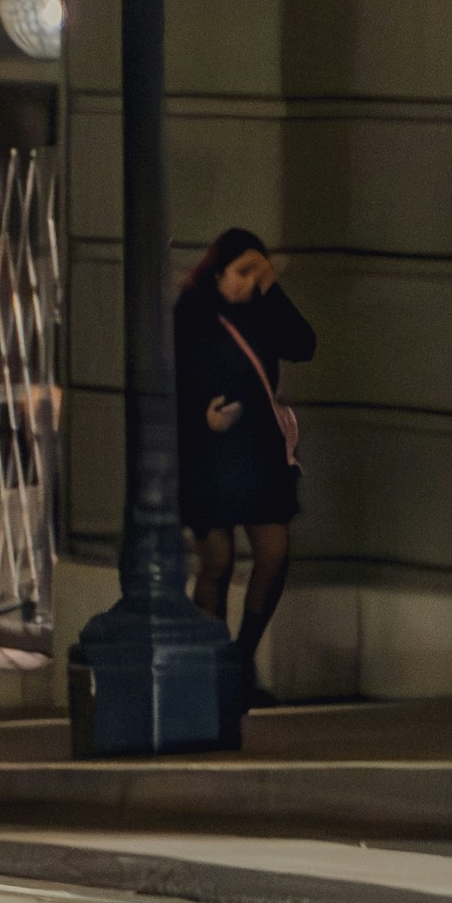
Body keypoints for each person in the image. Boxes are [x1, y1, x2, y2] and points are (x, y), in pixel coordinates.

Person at [175, 228, 314, 692]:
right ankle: (208, 668)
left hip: (256, 448)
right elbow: (172, 377)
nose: (248, 283)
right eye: (242, 273)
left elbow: (303, 345)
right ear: (218, 272)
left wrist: (272, 289)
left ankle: (242, 656)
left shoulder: (262, 309)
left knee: (274, 550)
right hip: (207, 451)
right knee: (217, 561)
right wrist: (203, 416)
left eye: (257, 272)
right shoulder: (192, 312)